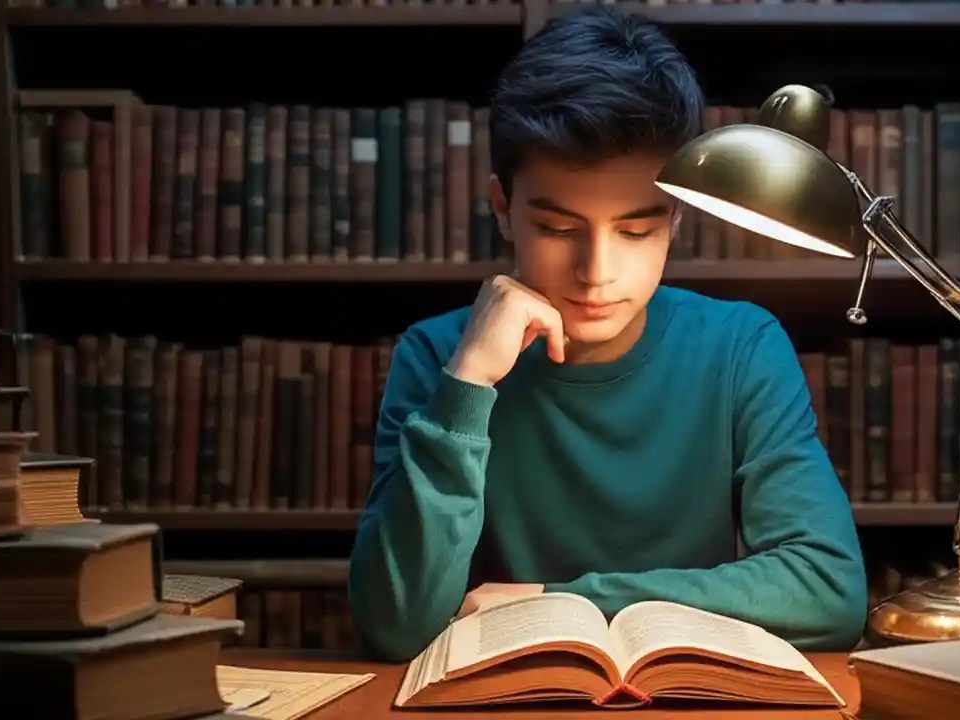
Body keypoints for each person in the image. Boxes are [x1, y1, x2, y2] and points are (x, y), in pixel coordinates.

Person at [347, 5, 867, 663]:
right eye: (559, 229)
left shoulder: (740, 348)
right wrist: (468, 387)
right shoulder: (437, 358)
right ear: (503, 208)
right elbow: (394, 627)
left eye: (636, 230)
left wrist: (556, 600)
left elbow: (828, 590)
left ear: (677, 217)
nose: (596, 273)